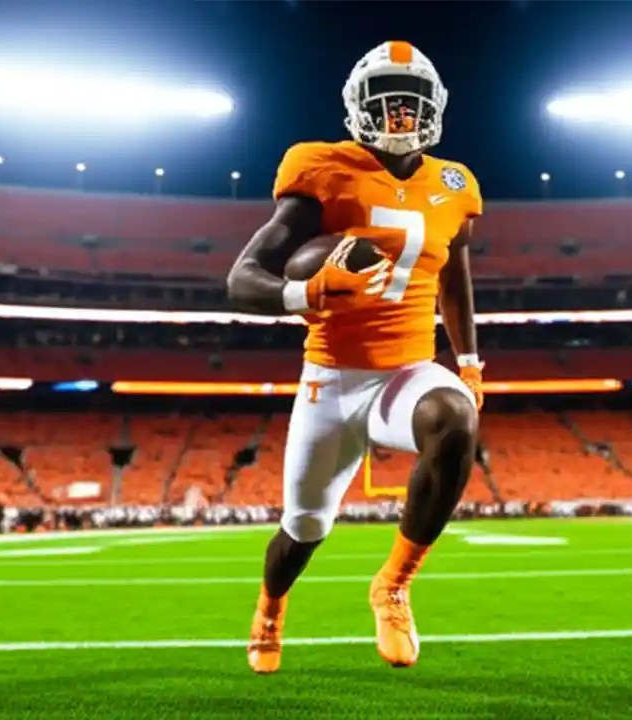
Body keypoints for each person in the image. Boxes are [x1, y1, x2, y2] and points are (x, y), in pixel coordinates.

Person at [226, 40, 483, 673]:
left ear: (435, 108)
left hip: (406, 372)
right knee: (303, 530)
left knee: (455, 415)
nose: (400, 118)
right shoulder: (322, 168)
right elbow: (243, 277)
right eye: (387, 105)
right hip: (332, 383)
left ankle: (393, 585)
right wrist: (303, 291)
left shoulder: (455, 184)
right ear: (360, 108)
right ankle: (270, 607)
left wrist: (470, 361)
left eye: (410, 105)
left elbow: (454, 277)